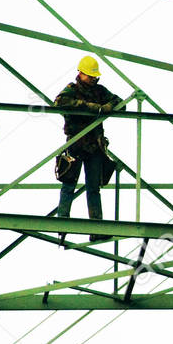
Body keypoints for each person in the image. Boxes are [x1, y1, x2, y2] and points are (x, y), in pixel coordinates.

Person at [53, 55, 121, 226]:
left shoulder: (99, 91)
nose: (93, 79)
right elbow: (59, 102)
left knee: (93, 189)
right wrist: (93, 108)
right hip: (75, 144)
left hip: (94, 146)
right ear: (81, 73)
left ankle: (96, 226)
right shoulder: (72, 89)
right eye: (90, 76)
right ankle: (62, 222)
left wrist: (109, 107)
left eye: (94, 77)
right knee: (69, 184)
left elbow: (119, 102)